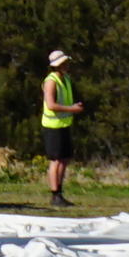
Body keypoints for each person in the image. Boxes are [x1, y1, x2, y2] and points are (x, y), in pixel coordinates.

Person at [37, 49, 83, 206]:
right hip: (53, 126)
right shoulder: (51, 81)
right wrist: (72, 109)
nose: (66, 65)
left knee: (64, 159)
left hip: (64, 124)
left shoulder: (66, 79)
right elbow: (51, 105)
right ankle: (54, 193)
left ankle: (60, 191)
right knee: (55, 160)